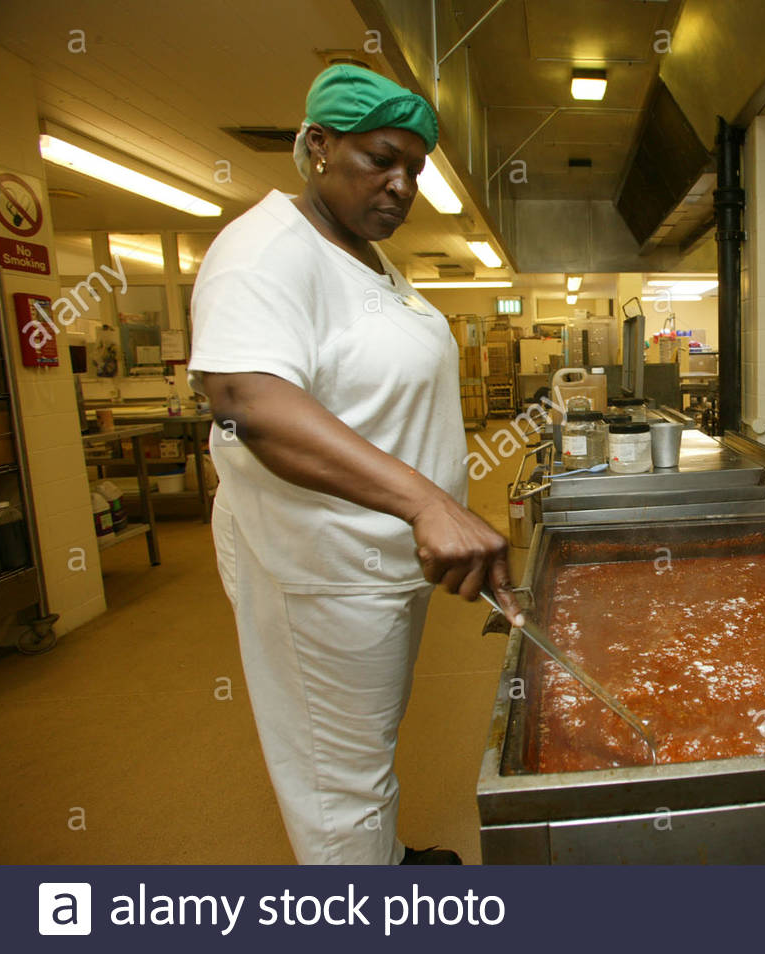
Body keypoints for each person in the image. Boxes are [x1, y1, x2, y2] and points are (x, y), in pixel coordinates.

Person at [188, 64, 522, 865]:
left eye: (413, 168)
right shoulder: (265, 251)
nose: (401, 185)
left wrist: (426, 510)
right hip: (321, 567)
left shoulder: (366, 257)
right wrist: (426, 503)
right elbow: (244, 397)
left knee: (360, 745)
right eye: (381, 159)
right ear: (316, 146)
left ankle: (386, 865)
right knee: (335, 778)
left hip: (376, 561)